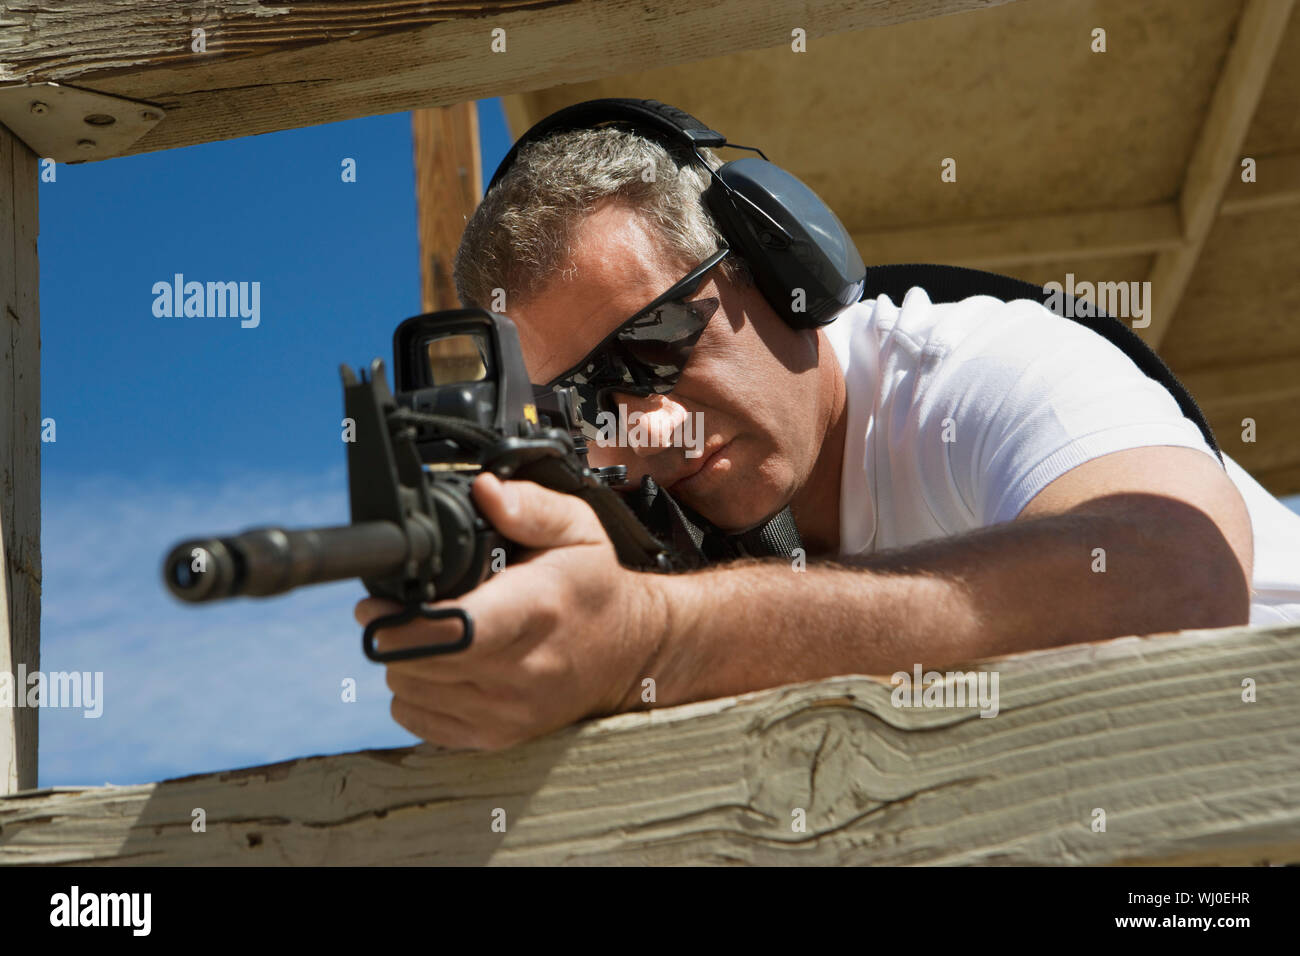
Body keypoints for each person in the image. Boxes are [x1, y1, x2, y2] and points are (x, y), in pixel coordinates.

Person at [356, 114, 1300, 751]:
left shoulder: (985, 365)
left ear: (778, 267)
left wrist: (656, 644)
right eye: (585, 401)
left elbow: (1178, 573)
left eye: (654, 344)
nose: (641, 429)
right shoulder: (652, 525)